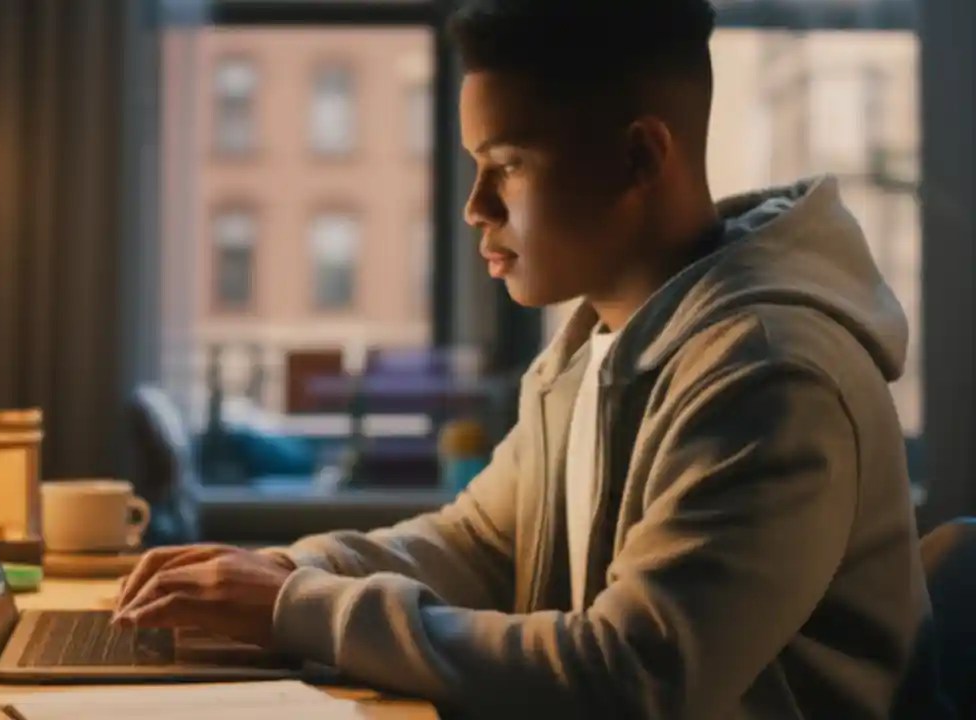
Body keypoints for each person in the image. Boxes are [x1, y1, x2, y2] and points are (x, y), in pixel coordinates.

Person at [113, 1, 947, 717]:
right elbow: (481, 542)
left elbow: (632, 676)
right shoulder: (603, 347)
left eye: (506, 166)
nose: (476, 208)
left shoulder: (770, 375)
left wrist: (302, 610)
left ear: (639, 157)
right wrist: (287, 570)